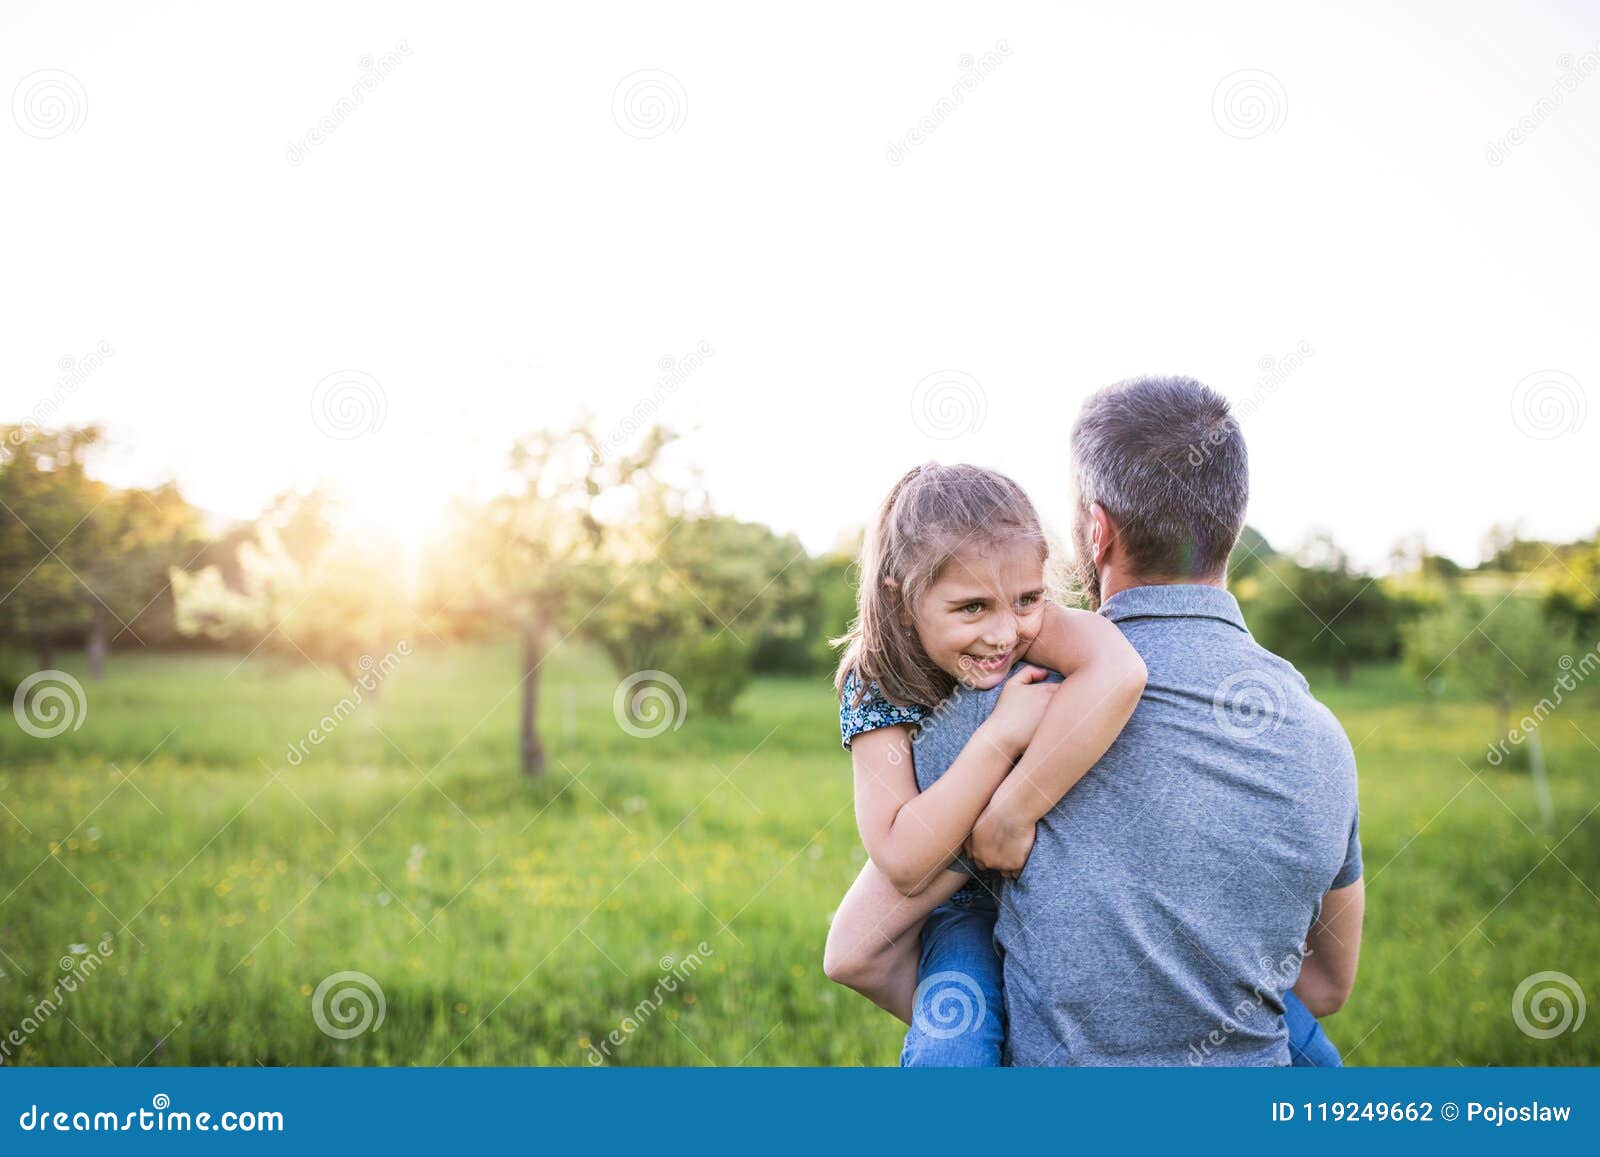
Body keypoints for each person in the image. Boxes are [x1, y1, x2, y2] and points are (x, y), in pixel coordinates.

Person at [821, 461, 1146, 1065]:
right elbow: (900, 858)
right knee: (952, 1049)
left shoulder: (1029, 628)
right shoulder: (876, 683)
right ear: (901, 597)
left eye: (1027, 597)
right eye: (971, 608)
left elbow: (1122, 668)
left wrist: (1015, 811)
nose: (1003, 634)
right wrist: (999, 736)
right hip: (967, 904)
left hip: (1068, 879)